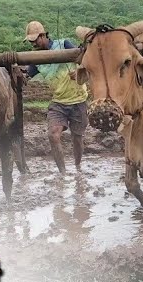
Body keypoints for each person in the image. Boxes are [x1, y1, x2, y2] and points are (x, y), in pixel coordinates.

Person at [23, 21, 90, 174]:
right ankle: (63, 174)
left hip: (78, 100)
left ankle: (78, 168)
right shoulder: (36, 59)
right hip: (58, 102)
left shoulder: (64, 44)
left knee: (77, 138)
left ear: (43, 35)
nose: (33, 44)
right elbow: (27, 75)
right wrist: (18, 74)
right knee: (53, 135)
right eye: (30, 41)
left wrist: (79, 70)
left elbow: (83, 59)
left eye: (35, 40)